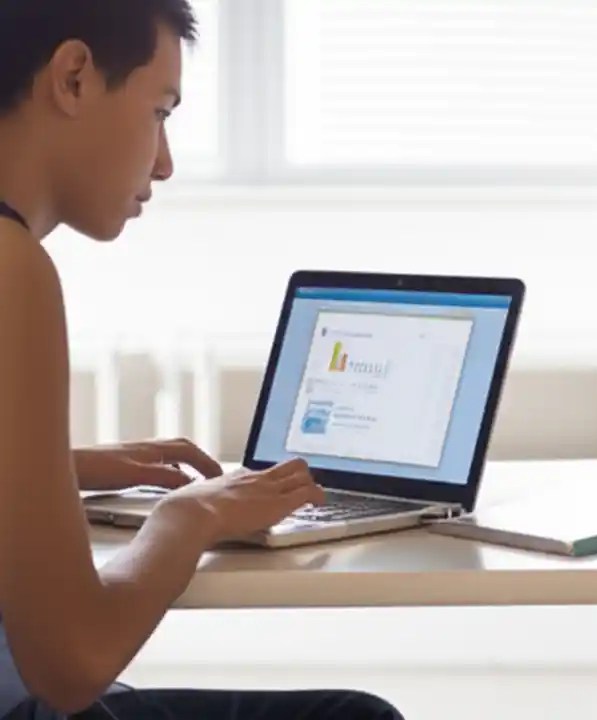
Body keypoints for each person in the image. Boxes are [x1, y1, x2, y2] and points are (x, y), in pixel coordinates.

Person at [0, 1, 403, 718]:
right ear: (73, 78)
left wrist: (59, 469)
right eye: (159, 111)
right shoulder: (11, 270)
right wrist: (186, 519)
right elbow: (70, 663)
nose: (164, 161)